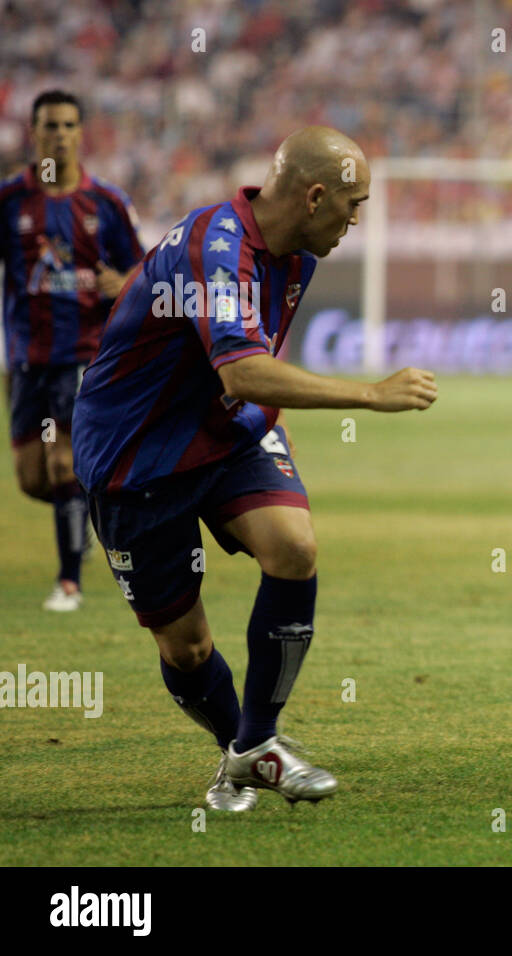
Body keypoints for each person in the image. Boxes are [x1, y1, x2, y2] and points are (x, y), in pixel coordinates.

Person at [72, 127, 438, 810]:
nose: (357, 222)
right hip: (136, 455)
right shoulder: (218, 249)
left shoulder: (297, 253)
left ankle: (260, 743)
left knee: (295, 548)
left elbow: (249, 373)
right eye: (353, 206)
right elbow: (242, 370)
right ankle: (236, 751)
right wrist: (370, 394)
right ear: (315, 196)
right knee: (185, 648)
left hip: (228, 431)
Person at [0, 90, 143, 611]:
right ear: (33, 133)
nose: (58, 135)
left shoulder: (105, 204)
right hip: (24, 357)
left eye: (67, 125)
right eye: (48, 126)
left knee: (64, 463)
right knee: (34, 478)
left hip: (83, 354)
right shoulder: (11, 200)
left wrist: (120, 281)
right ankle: (99, 510)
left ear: (81, 133)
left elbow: (146, 273)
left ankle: (68, 583)